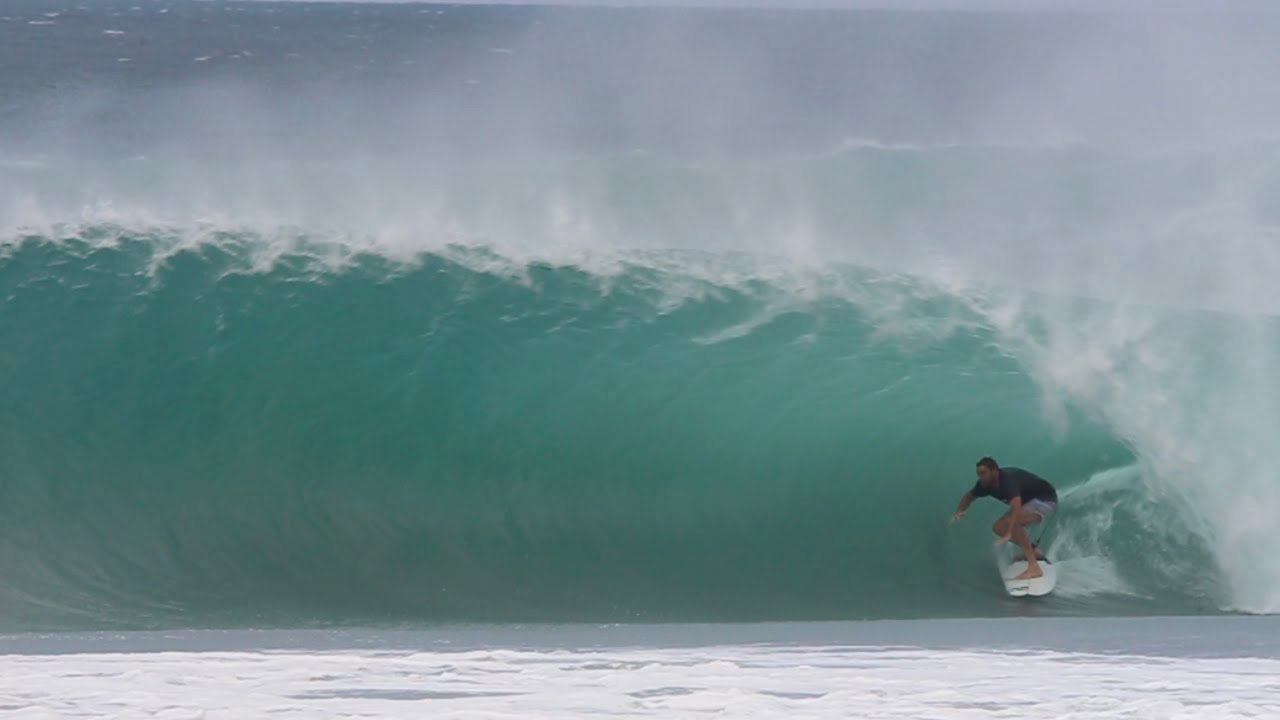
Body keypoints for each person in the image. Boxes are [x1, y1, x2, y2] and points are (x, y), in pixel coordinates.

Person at [949, 457, 1058, 580]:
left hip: (1045, 499)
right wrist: (959, 511)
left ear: (994, 471)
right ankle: (1033, 551)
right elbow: (969, 496)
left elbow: (1016, 507)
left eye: (984, 473)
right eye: (979, 474)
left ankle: (1034, 568)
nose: (981, 477)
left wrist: (1009, 532)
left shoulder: (1007, 481)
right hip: (1027, 503)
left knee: (1012, 522)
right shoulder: (984, 485)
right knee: (998, 527)